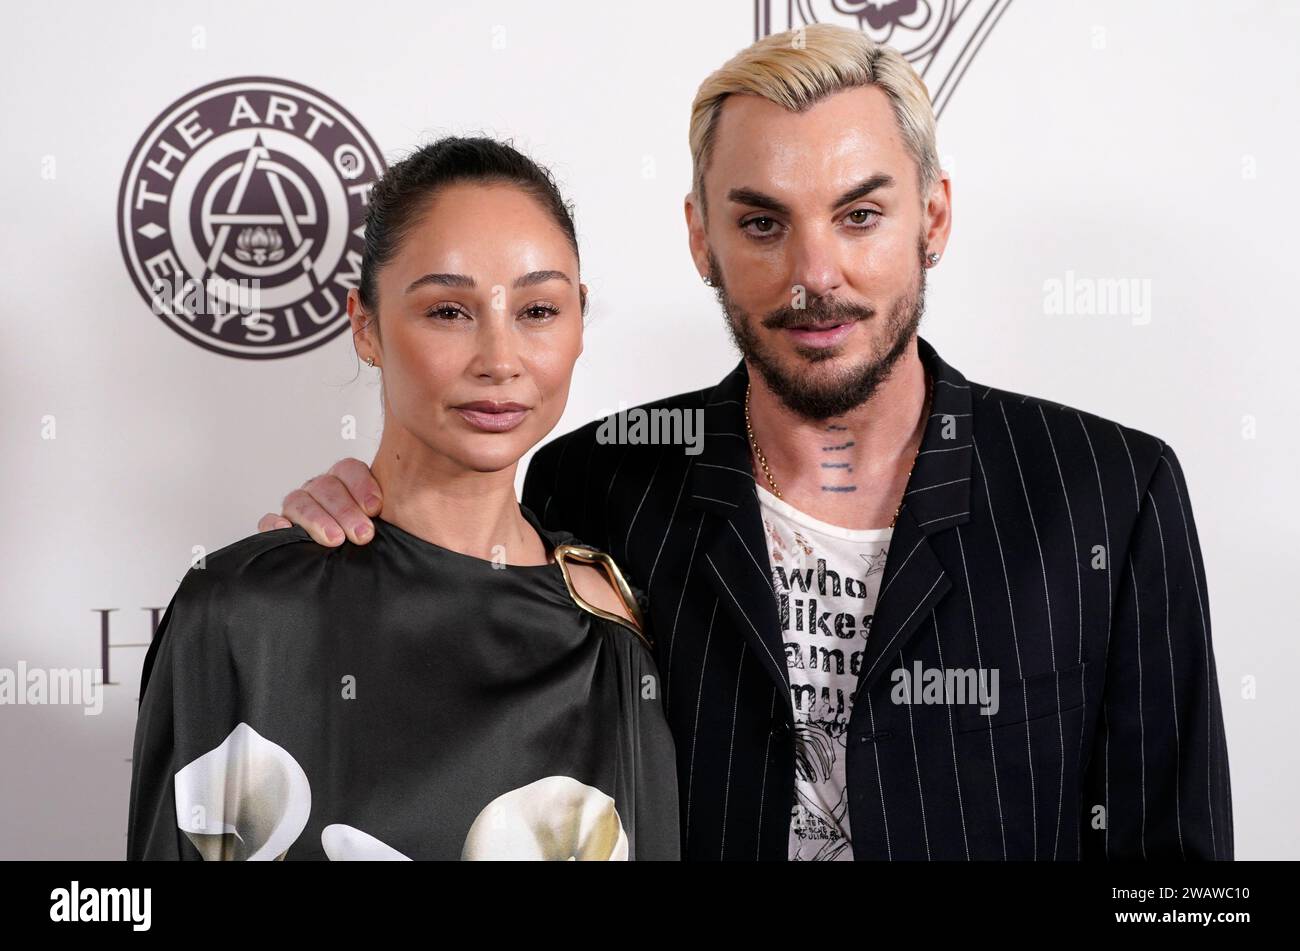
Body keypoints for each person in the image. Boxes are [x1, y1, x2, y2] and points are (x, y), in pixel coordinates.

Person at [259, 26, 1232, 861]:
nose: (815, 272)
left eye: (859, 214)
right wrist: (361, 539)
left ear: (931, 218)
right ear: (701, 240)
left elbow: (1174, 873)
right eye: (762, 222)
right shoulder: (594, 487)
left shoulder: (1106, 492)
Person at [128, 136, 680, 861]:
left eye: (538, 309)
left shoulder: (613, 631)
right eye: (448, 311)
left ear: (579, 321)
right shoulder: (241, 614)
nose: (500, 360)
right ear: (365, 325)